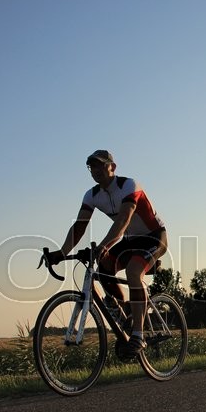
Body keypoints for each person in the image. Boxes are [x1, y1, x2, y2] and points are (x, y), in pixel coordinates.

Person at [46, 149, 167, 357]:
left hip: (154, 237)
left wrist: (104, 245)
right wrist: (61, 252)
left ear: (112, 167)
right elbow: (79, 226)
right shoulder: (92, 195)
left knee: (133, 271)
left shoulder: (129, 185)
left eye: (100, 165)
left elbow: (123, 220)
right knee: (103, 268)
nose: (95, 170)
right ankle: (125, 311)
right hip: (129, 241)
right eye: (91, 166)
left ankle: (138, 336)